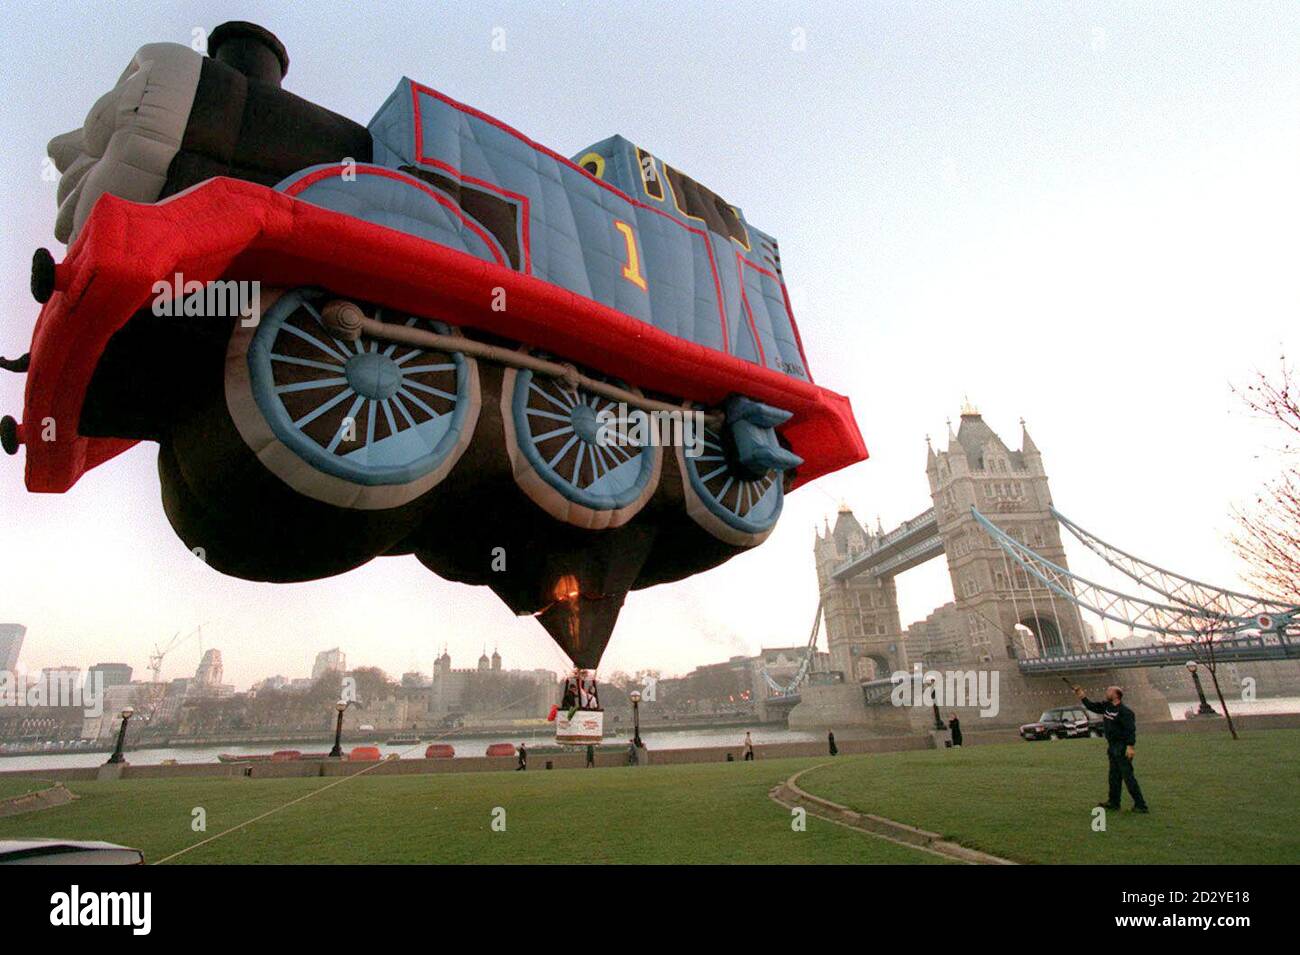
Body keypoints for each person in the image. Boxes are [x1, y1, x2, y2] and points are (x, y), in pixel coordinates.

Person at [1074, 684, 1148, 813]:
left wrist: (1130, 747)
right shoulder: (1107, 707)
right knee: (1113, 776)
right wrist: (1081, 694)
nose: (1106, 692)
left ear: (1116, 695)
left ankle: (1141, 805)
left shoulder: (1125, 712)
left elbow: (1130, 730)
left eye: (1109, 691)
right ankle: (1114, 802)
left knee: (1128, 777)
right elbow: (1092, 706)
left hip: (1122, 747)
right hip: (1112, 747)